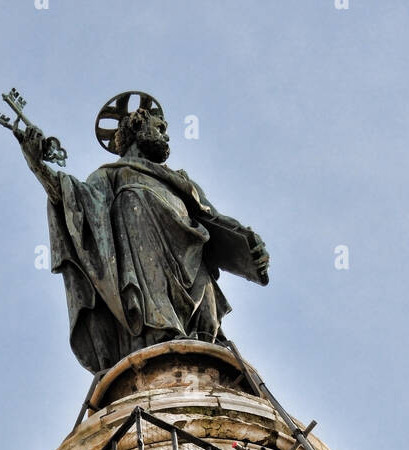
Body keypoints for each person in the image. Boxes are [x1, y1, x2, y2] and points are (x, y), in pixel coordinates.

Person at [19, 92, 269, 372]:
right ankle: (161, 344)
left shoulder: (183, 183)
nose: (167, 136)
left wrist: (250, 245)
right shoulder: (110, 176)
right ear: (138, 128)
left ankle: (204, 352)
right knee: (134, 205)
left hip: (192, 253)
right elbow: (73, 199)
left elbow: (215, 219)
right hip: (143, 259)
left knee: (205, 331)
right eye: (160, 128)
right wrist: (38, 166)